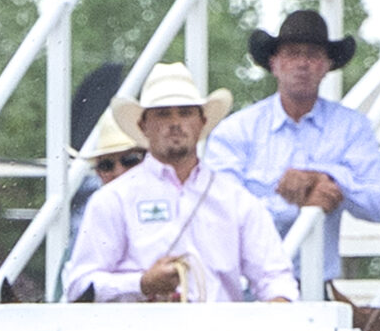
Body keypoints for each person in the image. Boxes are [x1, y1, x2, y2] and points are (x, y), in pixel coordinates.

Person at [62, 63, 298, 304]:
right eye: (163, 113)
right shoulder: (112, 200)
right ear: (143, 125)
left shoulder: (237, 200)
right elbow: (79, 286)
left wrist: (278, 304)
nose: (175, 122)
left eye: (185, 112)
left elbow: (275, 278)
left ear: (202, 122)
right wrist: (141, 284)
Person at [202, 10, 380, 285]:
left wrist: (326, 177)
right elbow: (220, 216)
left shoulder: (352, 127)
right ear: (274, 63)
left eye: (313, 54)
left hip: (316, 284)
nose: (303, 63)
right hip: (249, 289)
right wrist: (296, 203)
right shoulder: (236, 131)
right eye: (292, 53)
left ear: (327, 65)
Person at [62, 106, 145, 269]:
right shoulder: (88, 219)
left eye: (129, 160)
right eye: (106, 165)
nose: (118, 171)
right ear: (98, 172)